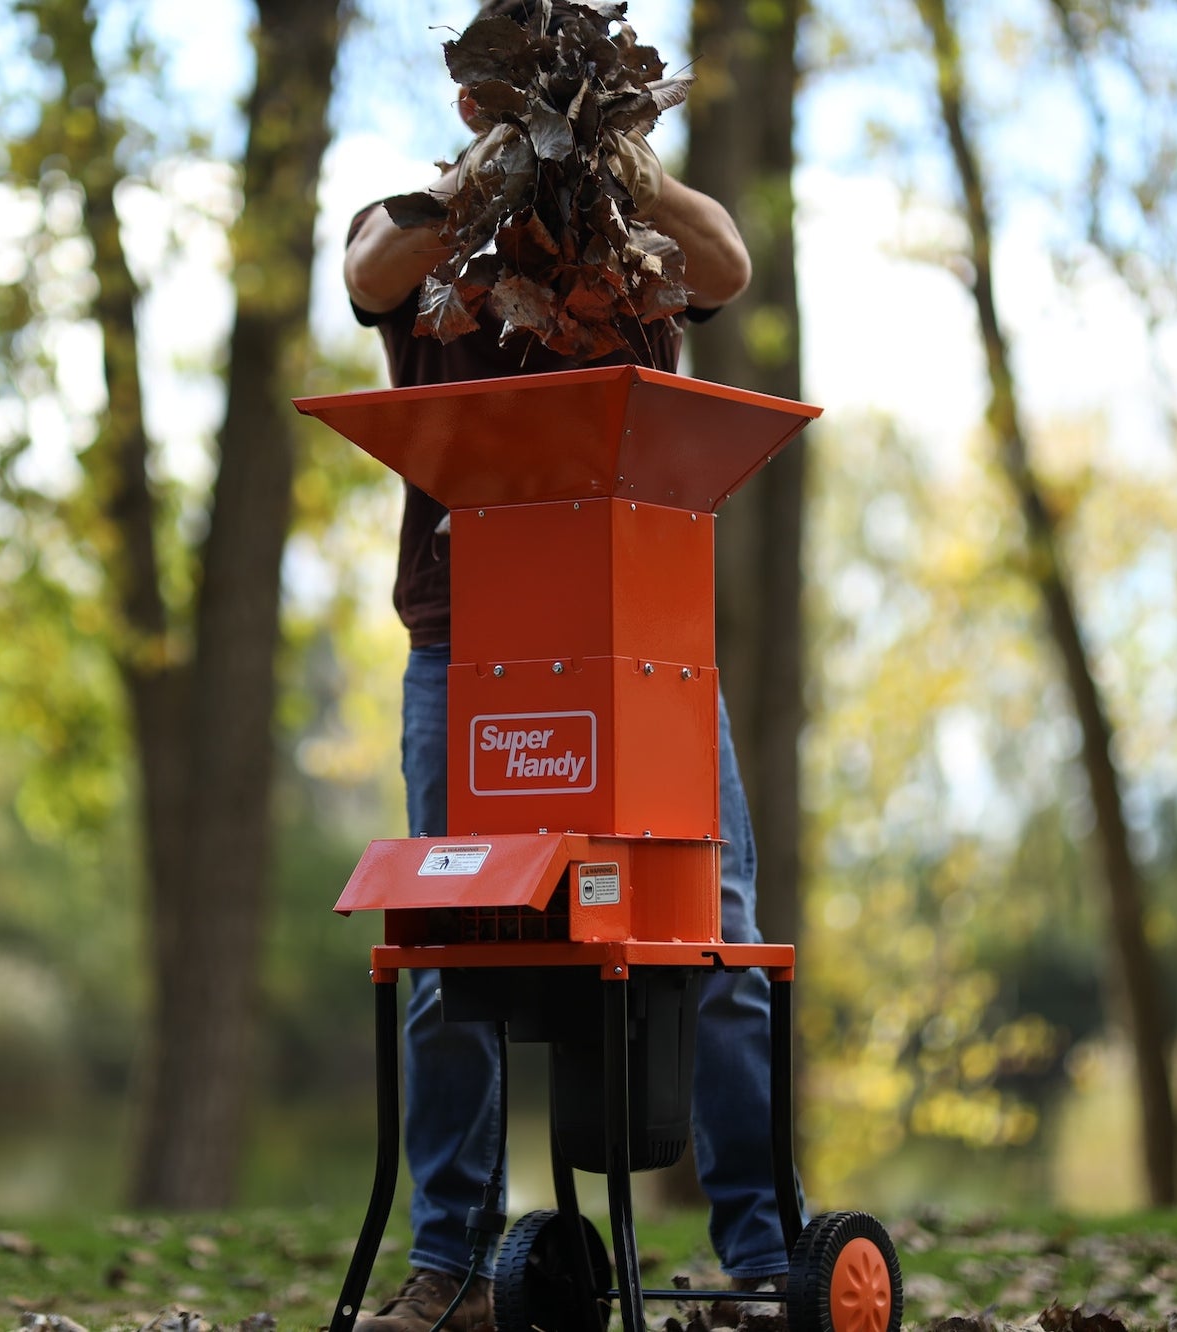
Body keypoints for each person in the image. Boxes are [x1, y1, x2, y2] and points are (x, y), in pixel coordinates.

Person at [343, 7, 789, 1328]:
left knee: (709, 926)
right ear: (474, 108)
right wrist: (491, 164)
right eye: (513, 97)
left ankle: (765, 1254)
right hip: (463, 642)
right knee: (449, 943)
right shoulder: (418, 219)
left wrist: (607, 154)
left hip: (638, 647)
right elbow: (374, 271)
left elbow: (731, 261)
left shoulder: (643, 243)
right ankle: (453, 1261)